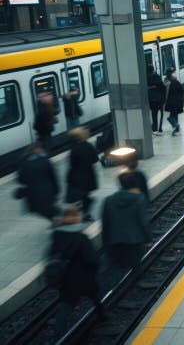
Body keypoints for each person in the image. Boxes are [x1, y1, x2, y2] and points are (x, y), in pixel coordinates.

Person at [50, 206, 102, 336]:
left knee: (66, 304)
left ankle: (59, 333)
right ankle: (102, 315)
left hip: (64, 278)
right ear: (75, 218)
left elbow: (52, 255)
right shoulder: (81, 237)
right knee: (94, 295)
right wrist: (96, 268)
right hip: (82, 276)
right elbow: (91, 258)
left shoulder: (56, 235)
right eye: (78, 215)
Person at [102, 169, 152, 269]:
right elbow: (144, 222)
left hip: (115, 241)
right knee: (134, 270)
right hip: (134, 242)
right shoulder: (139, 198)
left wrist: (106, 242)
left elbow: (105, 223)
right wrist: (148, 239)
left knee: (119, 270)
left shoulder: (109, 200)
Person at [18, 142, 59, 221]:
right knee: (49, 211)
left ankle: (55, 221)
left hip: (33, 194)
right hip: (47, 191)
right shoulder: (45, 161)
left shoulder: (23, 162)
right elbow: (53, 177)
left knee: (43, 211)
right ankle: (57, 222)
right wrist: (56, 190)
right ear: (38, 149)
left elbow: (21, 180)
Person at [66, 127, 99, 222]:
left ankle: (82, 209)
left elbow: (72, 163)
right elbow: (95, 159)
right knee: (85, 195)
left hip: (77, 175)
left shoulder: (74, 149)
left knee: (82, 194)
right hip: (88, 174)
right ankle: (86, 214)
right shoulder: (88, 146)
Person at [163, 68, 184, 136]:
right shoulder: (177, 82)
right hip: (178, 101)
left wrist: (165, 101)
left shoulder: (167, 83)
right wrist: (183, 100)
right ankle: (176, 129)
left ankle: (176, 125)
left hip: (171, 101)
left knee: (171, 117)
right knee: (175, 115)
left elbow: (166, 93)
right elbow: (181, 91)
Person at [146, 65, 165, 134]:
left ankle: (154, 129)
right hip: (159, 99)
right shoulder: (157, 76)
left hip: (151, 100)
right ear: (153, 69)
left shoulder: (146, 78)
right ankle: (160, 129)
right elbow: (162, 86)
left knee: (154, 114)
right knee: (162, 114)